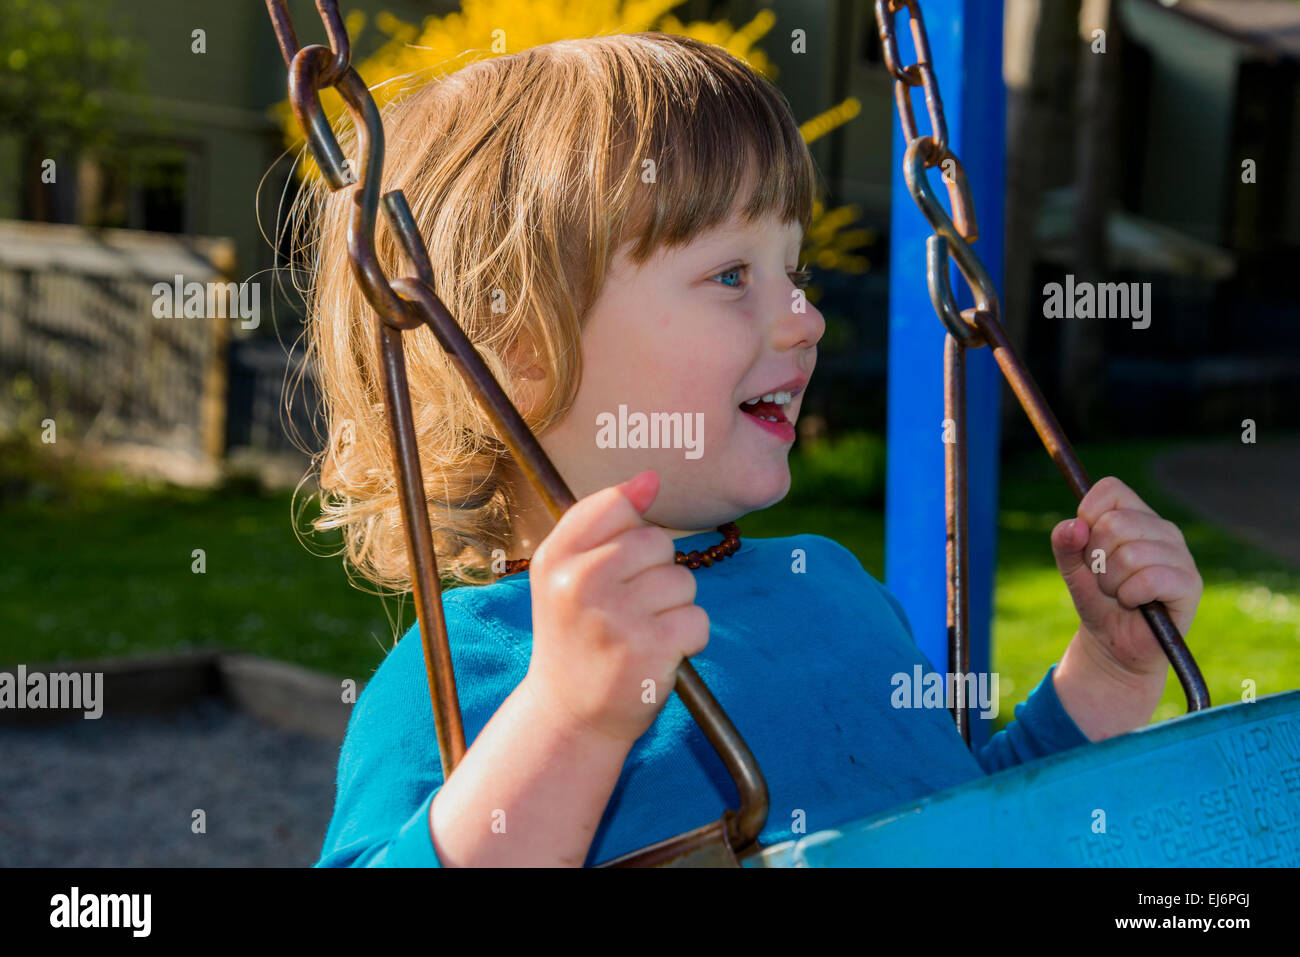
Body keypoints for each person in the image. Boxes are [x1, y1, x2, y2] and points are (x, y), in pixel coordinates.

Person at [301, 33, 1202, 867]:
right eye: (731, 275)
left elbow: (968, 821)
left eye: (795, 271)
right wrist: (566, 723)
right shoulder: (467, 674)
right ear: (523, 348)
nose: (804, 317)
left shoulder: (834, 585)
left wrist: (1111, 672)